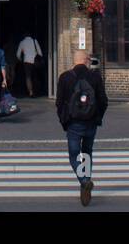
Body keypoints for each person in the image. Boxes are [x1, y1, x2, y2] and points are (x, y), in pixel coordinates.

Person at [56, 49, 109, 207]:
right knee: (87, 153)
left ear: (75, 60)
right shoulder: (95, 77)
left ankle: (84, 182)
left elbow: (59, 102)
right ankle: (85, 185)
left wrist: (64, 120)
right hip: (91, 122)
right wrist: (98, 117)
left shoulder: (65, 77)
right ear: (87, 60)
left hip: (73, 123)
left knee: (74, 155)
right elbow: (103, 100)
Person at [16, 31, 43, 98]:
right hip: (35, 61)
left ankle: (30, 92)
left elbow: (18, 54)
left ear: (24, 36)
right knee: (35, 77)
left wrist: (21, 59)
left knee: (28, 77)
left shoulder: (22, 42)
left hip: (27, 62)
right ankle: (36, 91)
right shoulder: (35, 41)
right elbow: (40, 53)